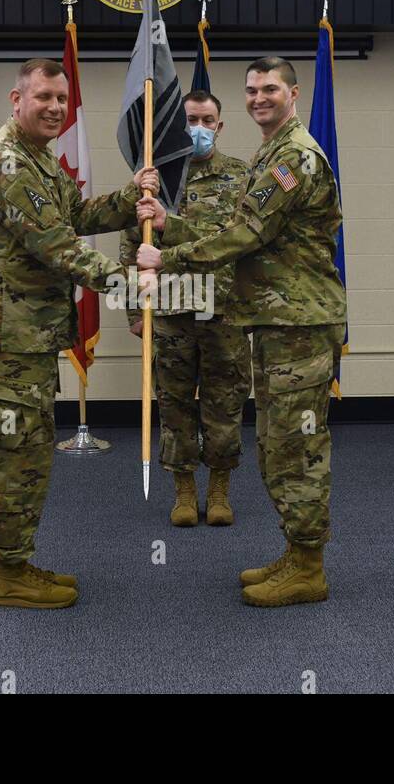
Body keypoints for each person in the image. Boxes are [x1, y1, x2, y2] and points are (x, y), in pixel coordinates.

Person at [136, 57, 347, 607]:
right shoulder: (272, 152)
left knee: (296, 448)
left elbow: (247, 232)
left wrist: (169, 253)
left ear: (294, 93)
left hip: (298, 323)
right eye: (252, 89)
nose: (259, 98)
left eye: (270, 89)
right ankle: (297, 554)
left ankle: (308, 567)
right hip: (279, 321)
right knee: (277, 444)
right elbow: (239, 230)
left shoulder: (294, 158)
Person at [0, 58, 158, 609]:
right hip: (8, 338)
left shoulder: (39, 160)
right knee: (15, 455)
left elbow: (77, 214)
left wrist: (128, 198)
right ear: (15, 99)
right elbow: (57, 245)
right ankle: (6, 572)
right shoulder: (6, 164)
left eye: (60, 100)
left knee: (30, 450)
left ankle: (17, 561)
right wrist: (126, 283)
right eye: (42, 96)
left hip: (28, 335)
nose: (53, 108)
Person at [120, 90, 251, 527]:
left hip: (224, 311)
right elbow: (131, 246)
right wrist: (135, 312)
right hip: (172, 312)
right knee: (174, 405)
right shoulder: (159, 179)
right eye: (191, 119)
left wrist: (171, 226)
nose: (199, 127)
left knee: (225, 403)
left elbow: (235, 239)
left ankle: (218, 490)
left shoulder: (241, 176)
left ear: (220, 125)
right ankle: (183, 490)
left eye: (207, 120)